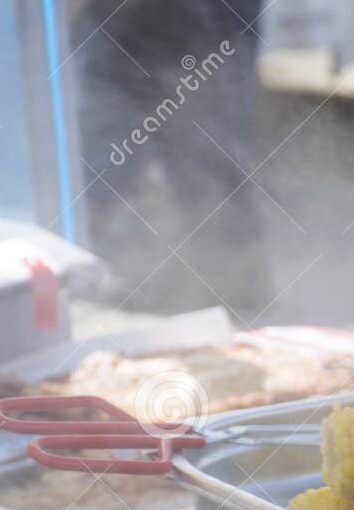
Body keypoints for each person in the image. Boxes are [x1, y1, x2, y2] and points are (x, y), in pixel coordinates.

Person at [71, 0, 269, 320]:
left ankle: (237, 304)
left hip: (200, 18)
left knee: (208, 155)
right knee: (100, 151)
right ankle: (95, 280)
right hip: (111, 18)